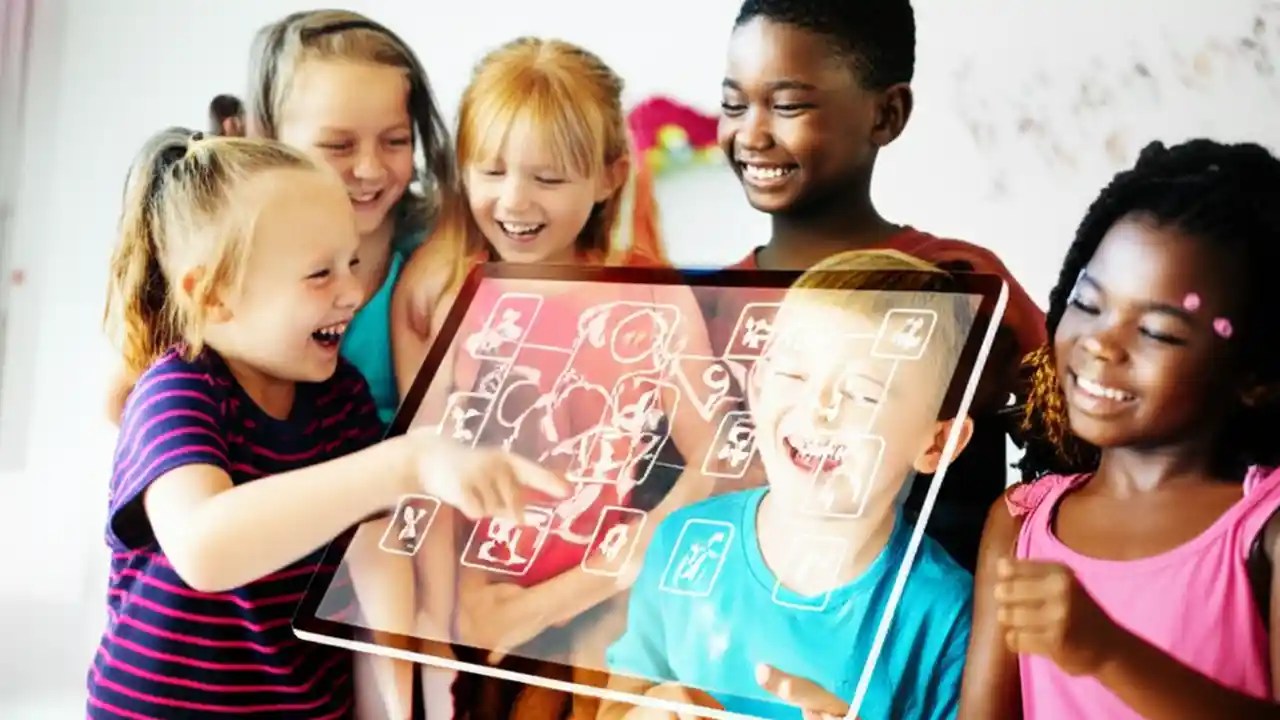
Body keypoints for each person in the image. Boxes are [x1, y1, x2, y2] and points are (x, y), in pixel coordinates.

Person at [87, 128, 567, 719]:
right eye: (321, 275)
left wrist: (400, 701)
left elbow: (373, 548)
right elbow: (206, 547)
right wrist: (403, 463)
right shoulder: (178, 390)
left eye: (354, 264)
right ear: (213, 296)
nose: (354, 291)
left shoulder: (341, 396)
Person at [389, 37, 718, 720]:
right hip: (480, 593)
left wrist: (617, 568)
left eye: (548, 178)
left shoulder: (650, 290)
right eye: (492, 171)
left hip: (610, 589)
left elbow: (714, 455)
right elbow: (423, 471)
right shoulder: (447, 292)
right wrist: (442, 610)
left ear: (609, 177)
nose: (514, 201)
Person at [712, 0, 1047, 573]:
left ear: (887, 114)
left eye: (788, 105)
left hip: (922, 641)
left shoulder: (958, 281)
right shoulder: (709, 304)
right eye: (733, 104)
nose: (752, 133)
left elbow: (1074, 426)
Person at [958, 139, 1280, 720]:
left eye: (1156, 331)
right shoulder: (1019, 522)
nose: (1101, 344)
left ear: (1256, 374)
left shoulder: (1266, 530)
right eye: (1087, 304)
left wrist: (1108, 653)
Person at [601, 250, 978, 720]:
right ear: (756, 388)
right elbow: (618, 699)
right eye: (793, 374)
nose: (818, 407)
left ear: (938, 443)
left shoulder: (946, 615)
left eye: (863, 393)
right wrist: (646, 711)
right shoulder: (685, 539)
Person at [242, 9, 454, 426]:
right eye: (339, 146)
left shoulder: (436, 245)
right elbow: (130, 392)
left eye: (395, 141)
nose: (371, 169)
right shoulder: (235, 258)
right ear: (269, 138)